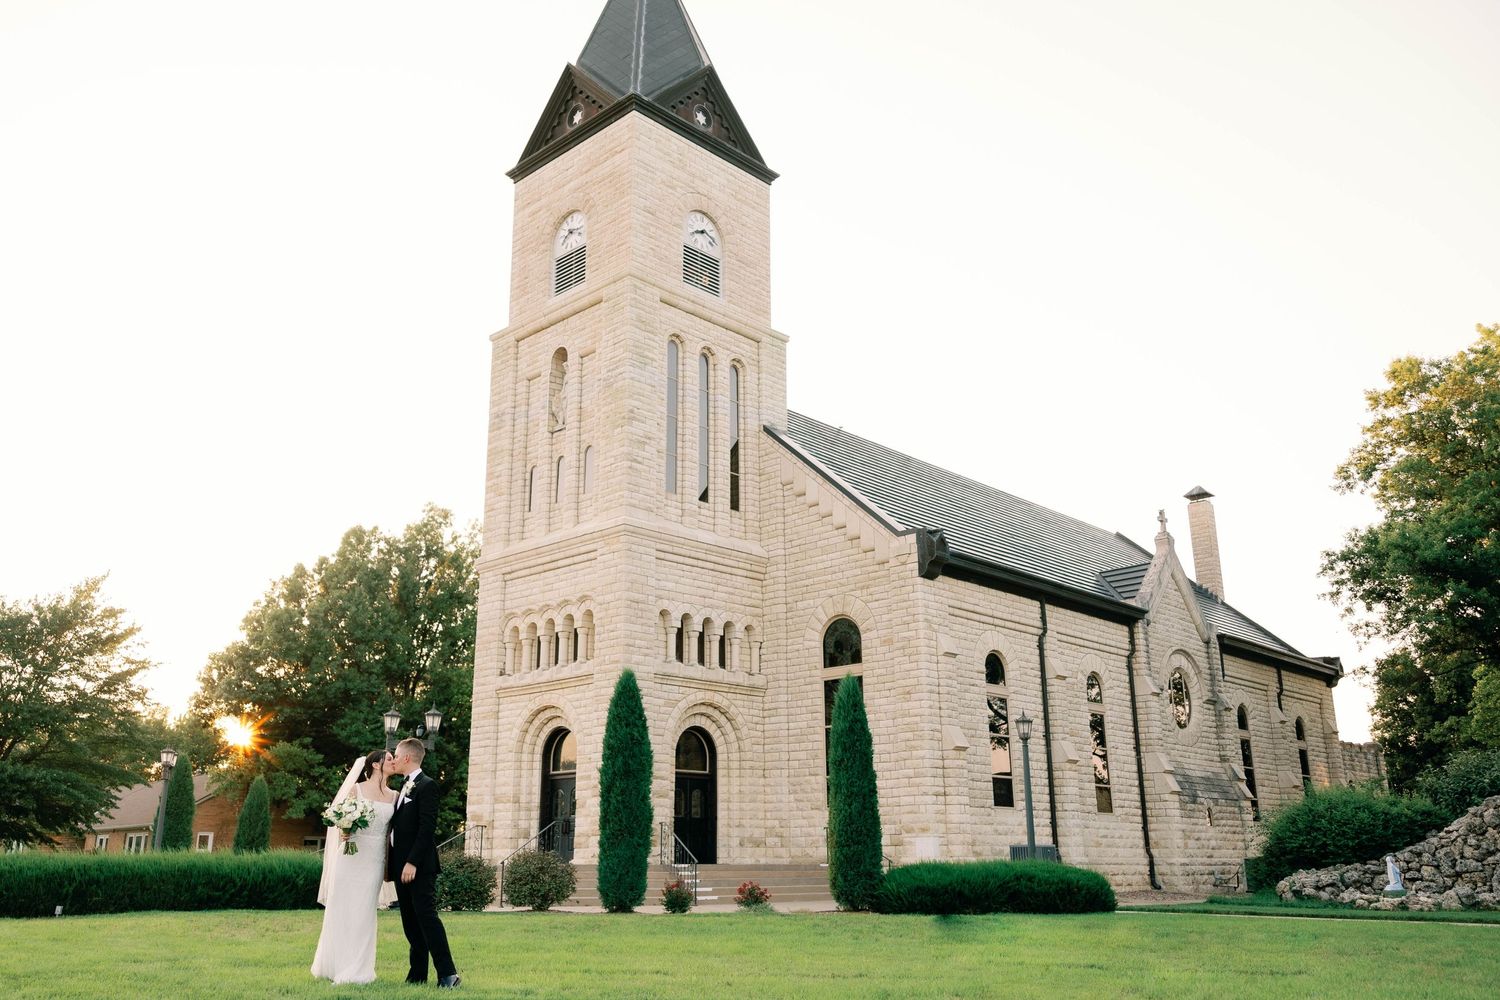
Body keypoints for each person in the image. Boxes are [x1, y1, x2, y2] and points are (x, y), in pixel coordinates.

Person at [310, 749, 398, 985]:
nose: (393, 762)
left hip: (375, 860)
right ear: (376, 765)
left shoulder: (394, 795)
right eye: (389, 759)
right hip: (351, 857)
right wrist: (345, 830)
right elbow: (341, 822)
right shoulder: (356, 789)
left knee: (363, 912)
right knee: (342, 910)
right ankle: (335, 964)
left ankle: (359, 969)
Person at [387, 737, 460, 989]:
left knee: (426, 917)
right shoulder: (402, 787)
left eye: (396, 755)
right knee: (409, 920)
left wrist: (412, 862)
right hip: (400, 867)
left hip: (418, 866)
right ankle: (417, 974)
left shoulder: (427, 785)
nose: (393, 759)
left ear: (407, 757)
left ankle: (448, 974)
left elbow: (427, 828)